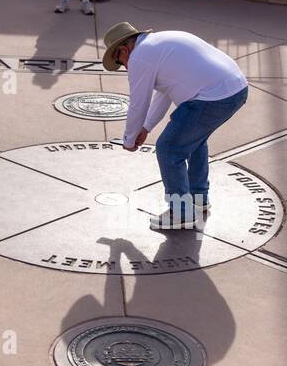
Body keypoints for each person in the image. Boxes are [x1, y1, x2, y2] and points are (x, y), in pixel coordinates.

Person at [103, 22, 249, 231]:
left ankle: (181, 213)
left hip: (212, 98)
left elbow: (138, 102)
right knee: (193, 141)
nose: (124, 67)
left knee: (169, 148)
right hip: (236, 89)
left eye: (119, 61)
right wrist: (145, 128)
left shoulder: (139, 57)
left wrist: (129, 139)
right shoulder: (161, 43)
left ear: (125, 49)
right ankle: (199, 200)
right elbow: (165, 92)